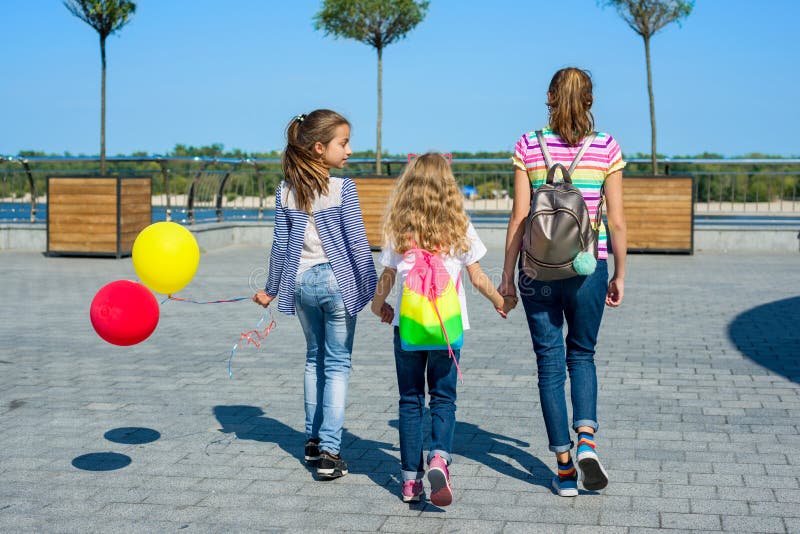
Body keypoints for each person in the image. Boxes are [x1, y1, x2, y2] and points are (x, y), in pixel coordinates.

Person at [498, 67, 627, 497]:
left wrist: (507, 279)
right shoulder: (606, 147)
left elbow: (519, 218)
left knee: (549, 364)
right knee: (583, 355)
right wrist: (620, 273)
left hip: (536, 269)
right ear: (590, 101)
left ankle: (566, 469)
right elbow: (619, 221)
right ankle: (587, 441)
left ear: (549, 97)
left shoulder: (528, 145)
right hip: (589, 267)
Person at [371, 153, 510, 506]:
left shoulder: (400, 227)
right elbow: (478, 277)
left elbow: (386, 277)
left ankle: (408, 482)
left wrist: (378, 306)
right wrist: (500, 300)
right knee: (443, 398)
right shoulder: (459, 225)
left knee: (410, 399)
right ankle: (438, 459)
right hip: (447, 329)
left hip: (409, 328)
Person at [254, 109, 377, 480]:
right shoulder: (342, 189)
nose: (350, 150)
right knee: (337, 365)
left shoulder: (285, 190)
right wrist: (372, 288)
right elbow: (357, 243)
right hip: (338, 284)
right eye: (344, 143)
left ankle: (311, 440)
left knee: (313, 360)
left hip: (301, 283)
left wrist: (270, 290)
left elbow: (280, 246)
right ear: (320, 148)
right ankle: (329, 452)